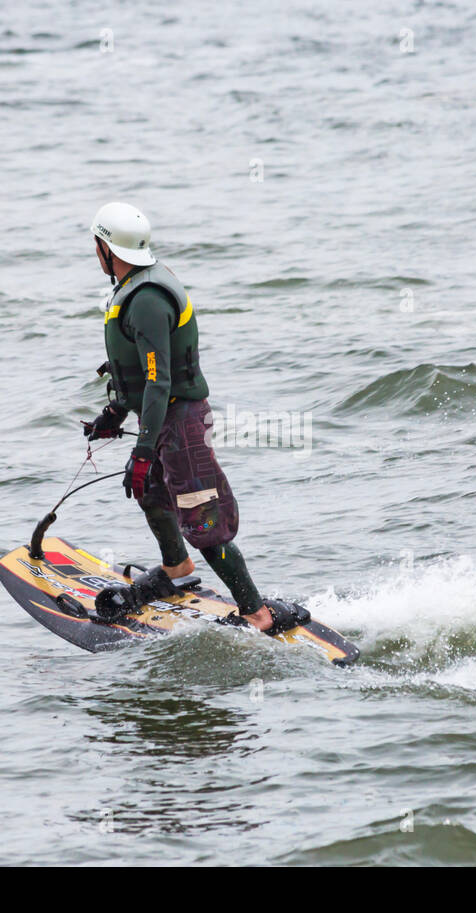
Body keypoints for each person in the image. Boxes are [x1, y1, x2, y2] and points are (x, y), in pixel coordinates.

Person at [82, 201, 309, 635]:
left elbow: (159, 380)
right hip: (163, 414)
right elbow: (141, 374)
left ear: (107, 249)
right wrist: (114, 412)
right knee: (149, 487)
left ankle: (255, 613)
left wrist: (145, 449)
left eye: (96, 246)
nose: (95, 254)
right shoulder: (137, 286)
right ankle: (177, 567)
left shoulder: (147, 299)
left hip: (179, 422)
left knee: (202, 517)